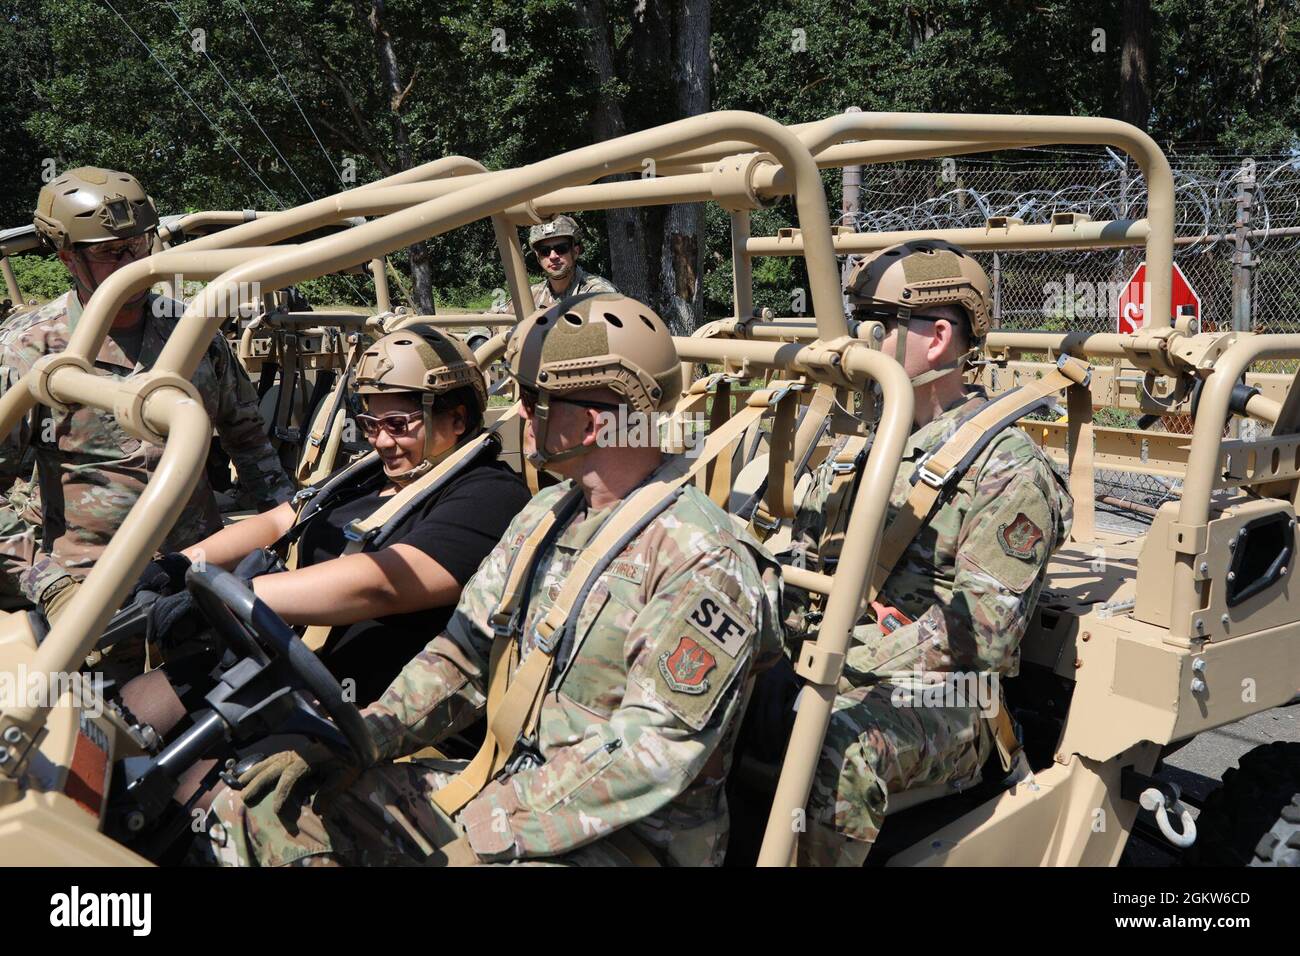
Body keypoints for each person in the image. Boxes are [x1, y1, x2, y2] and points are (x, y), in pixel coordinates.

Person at [204, 292, 782, 867]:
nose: (520, 413)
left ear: (593, 422)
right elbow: (462, 655)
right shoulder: (546, 513)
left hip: (626, 839)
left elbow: (649, 756)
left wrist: (481, 828)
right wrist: (354, 736)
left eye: (535, 399)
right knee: (257, 806)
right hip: (508, 789)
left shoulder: (704, 558)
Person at [784, 240, 1074, 866]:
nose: (857, 340)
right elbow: (809, 564)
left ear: (937, 337)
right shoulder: (868, 442)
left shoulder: (1008, 471)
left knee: (838, 741)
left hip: (953, 697)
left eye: (876, 322)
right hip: (851, 656)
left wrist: (840, 661)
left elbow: (980, 638)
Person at [150, 324, 530, 706]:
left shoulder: (490, 494)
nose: (381, 441)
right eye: (370, 425)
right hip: (284, 668)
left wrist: (231, 595)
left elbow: (381, 582)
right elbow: (283, 519)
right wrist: (182, 565)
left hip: (367, 712)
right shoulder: (370, 475)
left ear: (458, 419)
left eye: (397, 425)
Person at [0, 166, 292, 626]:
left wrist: (288, 522)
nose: (131, 264)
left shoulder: (195, 333)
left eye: (140, 245)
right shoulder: (28, 351)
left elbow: (248, 439)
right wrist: (49, 585)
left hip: (197, 571)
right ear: (67, 257)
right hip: (91, 587)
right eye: (111, 253)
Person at [491, 215, 616, 314]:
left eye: (561, 248)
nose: (553, 256)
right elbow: (492, 320)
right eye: (544, 251)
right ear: (538, 257)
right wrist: (478, 338)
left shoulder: (598, 292)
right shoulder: (532, 295)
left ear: (576, 252)